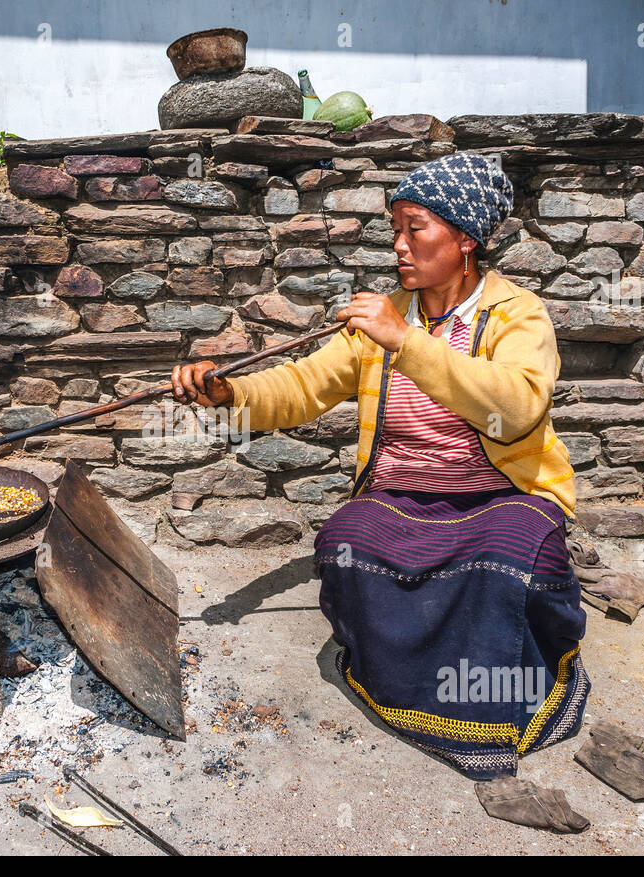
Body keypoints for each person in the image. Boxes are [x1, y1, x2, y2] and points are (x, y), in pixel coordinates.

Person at [170, 153, 589, 780]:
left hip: (502, 493)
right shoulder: (387, 318)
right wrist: (231, 394)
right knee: (345, 543)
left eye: (415, 228)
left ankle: (491, 709)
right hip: (403, 494)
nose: (398, 244)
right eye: (395, 228)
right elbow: (303, 387)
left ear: (466, 236)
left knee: (506, 559)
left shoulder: (513, 314)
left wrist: (406, 343)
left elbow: (519, 406)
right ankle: (405, 688)